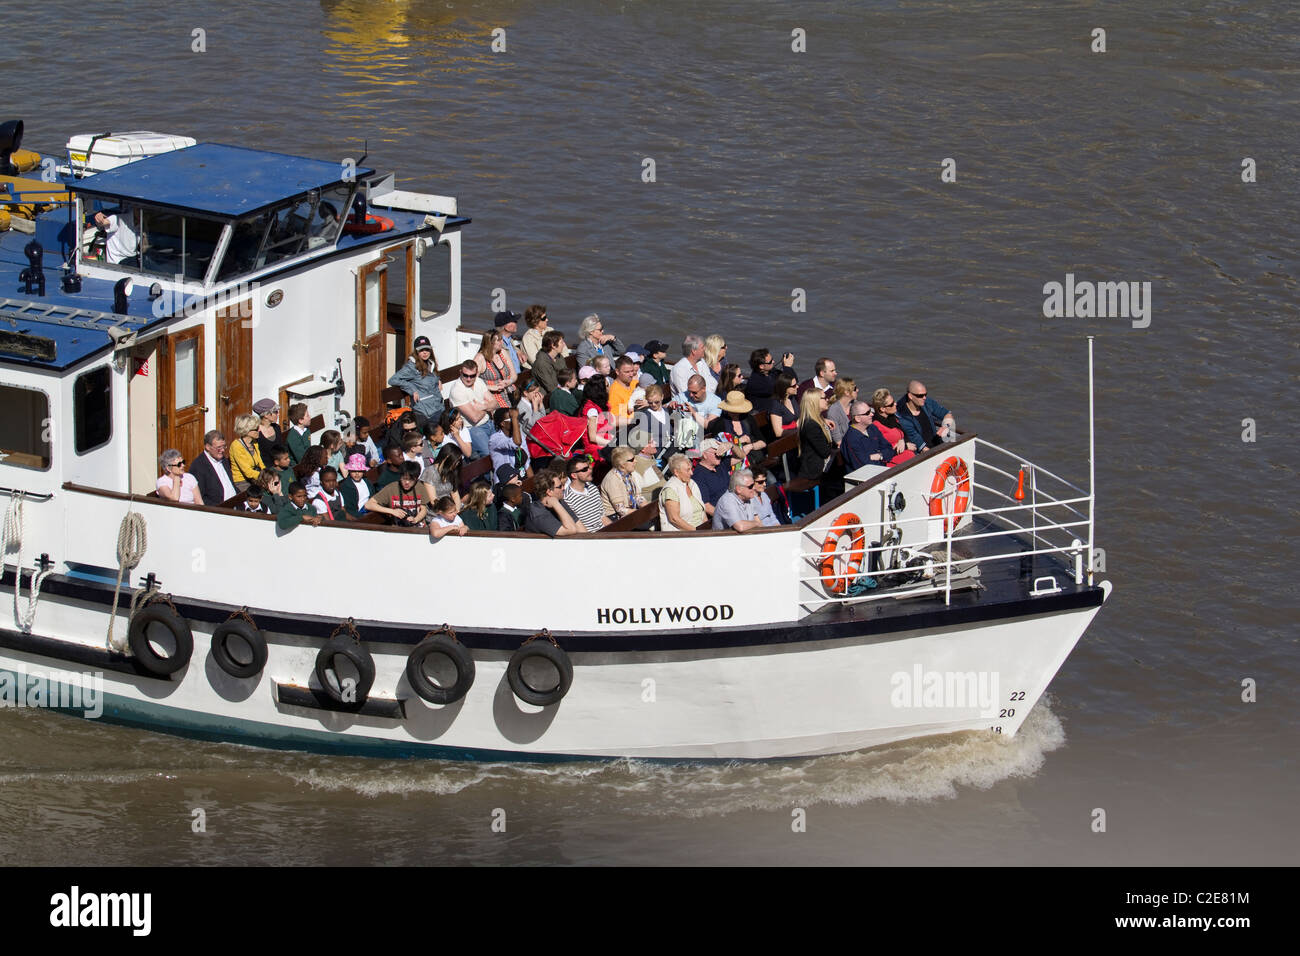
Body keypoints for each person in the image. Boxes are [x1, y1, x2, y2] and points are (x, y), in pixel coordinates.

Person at [388, 335, 445, 425]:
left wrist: (438, 379)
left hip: (438, 408)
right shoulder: (411, 367)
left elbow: (430, 378)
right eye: (421, 350)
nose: (425, 353)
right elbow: (393, 380)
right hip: (424, 411)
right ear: (416, 352)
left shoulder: (431, 364)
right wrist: (411, 388)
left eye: (427, 349)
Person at [448, 359, 496, 458]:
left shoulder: (479, 381)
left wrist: (482, 406)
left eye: (472, 376)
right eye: (465, 375)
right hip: (473, 428)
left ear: (477, 373)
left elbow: (495, 403)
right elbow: (474, 418)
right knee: (488, 454)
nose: (469, 379)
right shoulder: (457, 390)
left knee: (502, 448)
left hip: (489, 423)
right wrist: (487, 405)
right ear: (460, 372)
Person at [363, 461, 431, 527]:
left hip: (417, 527)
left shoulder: (420, 487)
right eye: (404, 478)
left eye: (411, 479)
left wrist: (415, 519)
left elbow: (423, 509)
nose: (407, 482)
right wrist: (392, 511)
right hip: (398, 528)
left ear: (416, 478)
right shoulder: (391, 488)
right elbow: (368, 505)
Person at [707, 391, 767, 465]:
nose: (735, 412)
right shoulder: (720, 424)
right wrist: (738, 442)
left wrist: (750, 446)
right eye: (732, 410)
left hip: (753, 460)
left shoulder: (748, 419)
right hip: (733, 463)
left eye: (737, 410)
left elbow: (763, 442)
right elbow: (718, 450)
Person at [896, 380, 957, 452]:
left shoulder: (926, 402)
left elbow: (947, 414)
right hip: (920, 452)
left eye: (925, 394)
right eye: (920, 396)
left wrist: (946, 426)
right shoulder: (902, 415)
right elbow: (921, 446)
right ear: (910, 396)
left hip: (936, 443)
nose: (924, 398)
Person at [524, 471, 582, 537]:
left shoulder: (560, 501)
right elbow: (572, 530)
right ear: (549, 492)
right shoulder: (538, 513)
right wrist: (556, 504)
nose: (563, 488)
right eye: (560, 486)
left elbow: (582, 530)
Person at [841, 401, 894, 471]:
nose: (872, 414)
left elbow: (889, 449)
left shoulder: (872, 428)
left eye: (871, 411)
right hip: (865, 478)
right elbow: (862, 466)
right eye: (867, 413)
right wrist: (882, 457)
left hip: (884, 469)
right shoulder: (851, 439)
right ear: (857, 418)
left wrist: (879, 456)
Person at [869, 389, 917, 465]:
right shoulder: (876, 426)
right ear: (882, 409)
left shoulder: (893, 418)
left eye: (894, 401)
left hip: (908, 459)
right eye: (891, 404)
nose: (895, 404)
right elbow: (881, 449)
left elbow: (903, 434)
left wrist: (903, 441)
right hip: (893, 465)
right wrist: (906, 446)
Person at [190, 429, 238, 505]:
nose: (222, 450)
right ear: (208, 447)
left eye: (224, 446)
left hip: (235, 507)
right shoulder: (199, 466)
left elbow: (231, 484)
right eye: (219, 447)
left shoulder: (224, 460)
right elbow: (200, 497)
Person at [660, 453, 706, 532]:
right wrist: (696, 531)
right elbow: (674, 519)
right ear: (676, 472)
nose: (691, 473)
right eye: (688, 470)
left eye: (691, 469)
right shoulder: (671, 489)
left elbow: (702, 512)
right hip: (682, 535)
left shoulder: (692, 484)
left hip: (700, 531)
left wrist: (707, 529)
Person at [797, 388, 836, 479]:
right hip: (816, 470)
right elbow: (825, 452)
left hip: (823, 464)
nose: (827, 400)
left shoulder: (818, 419)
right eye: (824, 398)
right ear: (814, 402)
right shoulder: (811, 425)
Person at [600, 446, 648, 520]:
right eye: (632, 460)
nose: (636, 461)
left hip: (629, 513)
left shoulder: (628, 474)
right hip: (615, 520)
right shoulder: (612, 480)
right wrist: (642, 514)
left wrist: (647, 508)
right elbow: (621, 510)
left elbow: (637, 496)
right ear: (622, 464)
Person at [563, 456, 607, 532]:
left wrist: (616, 532)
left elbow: (602, 517)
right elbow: (578, 528)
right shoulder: (567, 499)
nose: (589, 471)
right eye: (584, 470)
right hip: (588, 538)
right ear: (574, 475)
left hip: (605, 534)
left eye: (589, 468)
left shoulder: (593, 488)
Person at [476, 330, 518, 409]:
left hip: (511, 393)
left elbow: (514, 375)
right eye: (499, 340)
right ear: (490, 343)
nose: (502, 342)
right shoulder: (480, 358)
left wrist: (510, 381)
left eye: (502, 339)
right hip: (493, 397)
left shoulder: (502, 352)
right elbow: (472, 382)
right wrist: (490, 387)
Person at [691, 438, 731, 516]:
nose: (719, 454)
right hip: (724, 514)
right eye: (716, 452)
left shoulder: (720, 464)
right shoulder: (698, 476)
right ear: (704, 455)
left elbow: (741, 456)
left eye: (721, 452)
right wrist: (726, 517)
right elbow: (707, 506)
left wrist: (730, 445)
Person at [228, 413, 265, 490]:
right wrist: (264, 476)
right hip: (242, 482)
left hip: (256, 478)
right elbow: (247, 472)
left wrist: (267, 473)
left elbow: (260, 463)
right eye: (256, 429)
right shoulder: (236, 446)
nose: (259, 430)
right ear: (247, 431)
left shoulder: (254, 443)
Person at [421, 445, 463, 512]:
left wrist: (456, 511)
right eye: (456, 461)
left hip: (451, 511)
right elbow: (433, 501)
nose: (457, 464)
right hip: (437, 512)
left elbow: (455, 494)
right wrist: (449, 513)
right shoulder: (430, 472)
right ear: (447, 457)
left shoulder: (450, 472)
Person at [632, 384, 673, 452]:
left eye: (657, 402)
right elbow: (644, 441)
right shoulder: (645, 416)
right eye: (650, 402)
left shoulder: (666, 411)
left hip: (669, 450)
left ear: (662, 397)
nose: (653, 405)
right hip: (657, 453)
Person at [579, 377, 615, 456]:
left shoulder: (599, 405)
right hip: (595, 449)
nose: (609, 387)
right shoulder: (592, 411)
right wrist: (612, 444)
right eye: (606, 386)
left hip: (603, 440)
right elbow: (592, 437)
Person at [607, 355, 645, 426]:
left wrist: (648, 402)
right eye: (627, 372)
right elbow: (614, 420)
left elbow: (654, 393)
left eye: (632, 371)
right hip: (629, 428)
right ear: (617, 372)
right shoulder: (615, 392)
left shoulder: (636, 384)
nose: (631, 374)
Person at [489, 407, 529, 474]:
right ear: (503, 424)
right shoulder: (495, 439)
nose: (516, 421)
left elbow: (527, 465)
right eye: (511, 419)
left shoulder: (518, 436)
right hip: (507, 480)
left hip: (521, 475)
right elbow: (516, 443)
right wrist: (514, 418)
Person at [530, 329, 566, 396]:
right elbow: (551, 388)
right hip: (547, 397)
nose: (564, 344)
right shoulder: (541, 363)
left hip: (561, 390)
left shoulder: (558, 356)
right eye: (562, 342)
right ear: (553, 345)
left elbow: (566, 375)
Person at [767, 370, 800, 436]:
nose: (797, 387)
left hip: (795, 435)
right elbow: (778, 433)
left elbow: (799, 419)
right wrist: (798, 430)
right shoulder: (775, 405)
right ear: (785, 388)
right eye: (794, 386)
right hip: (783, 441)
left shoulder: (791, 398)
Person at [826, 377, 857, 443]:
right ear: (847, 392)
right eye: (855, 389)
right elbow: (837, 440)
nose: (857, 390)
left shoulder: (855, 404)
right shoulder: (833, 411)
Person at [252, 398, 282, 463]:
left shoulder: (277, 428)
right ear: (266, 415)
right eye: (275, 412)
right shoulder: (256, 432)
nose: (278, 414)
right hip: (265, 470)